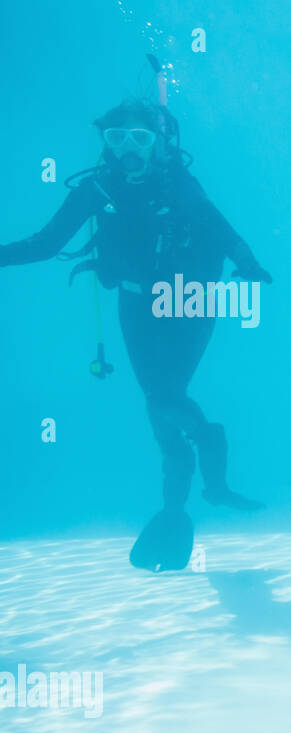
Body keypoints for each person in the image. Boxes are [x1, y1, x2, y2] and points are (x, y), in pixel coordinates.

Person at [0, 98, 270, 571]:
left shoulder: (178, 185)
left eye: (140, 138)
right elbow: (44, 244)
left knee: (163, 397)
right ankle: (181, 503)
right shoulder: (95, 188)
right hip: (135, 305)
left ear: (158, 142)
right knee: (158, 401)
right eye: (116, 137)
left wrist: (247, 262)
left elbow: (222, 230)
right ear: (105, 142)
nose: (128, 148)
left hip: (189, 299)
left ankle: (209, 449)